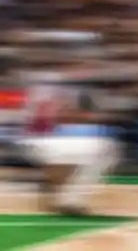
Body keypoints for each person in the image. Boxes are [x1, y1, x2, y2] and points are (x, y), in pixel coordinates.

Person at [18, 82, 120, 216]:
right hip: (46, 144)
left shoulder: (84, 124)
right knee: (105, 151)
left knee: (88, 160)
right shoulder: (56, 111)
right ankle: (69, 200)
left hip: (46, 146)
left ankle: (65, 197)